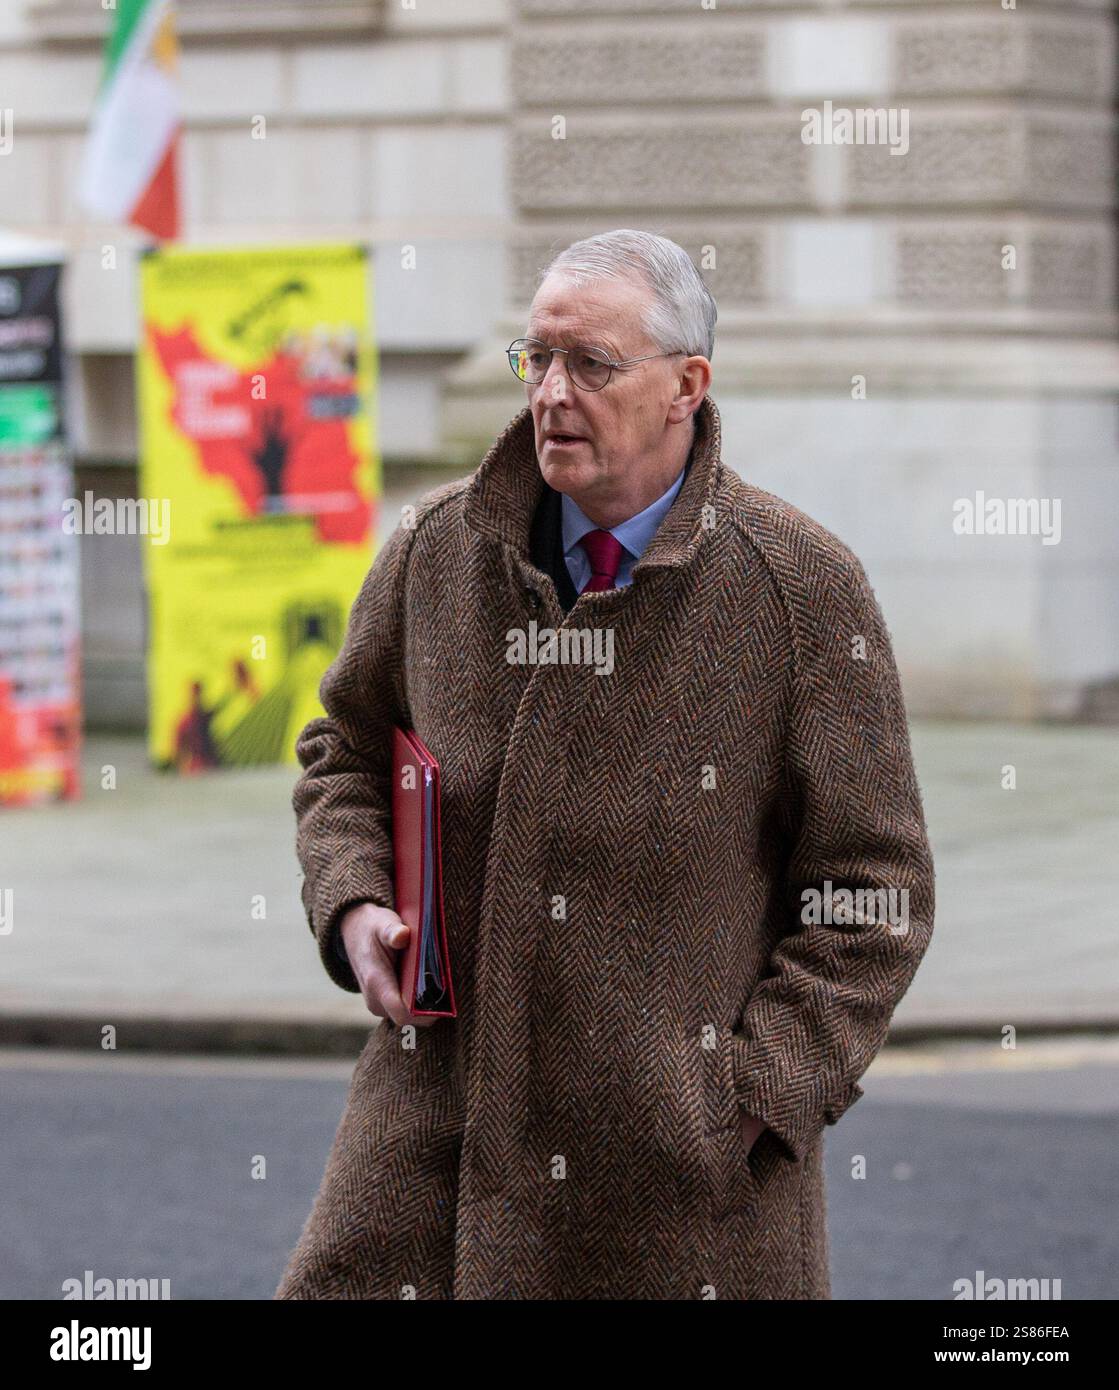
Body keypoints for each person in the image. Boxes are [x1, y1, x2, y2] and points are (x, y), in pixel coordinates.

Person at [275, 229, 935, 1300]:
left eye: (592, 364)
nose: (552, 393)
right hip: (427, 1153)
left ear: (688, 384)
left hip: (680, 1196)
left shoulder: (801, 590)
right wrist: (354, 908)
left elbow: (875, 893)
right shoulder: (438, 549)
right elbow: (343, 751)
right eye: (536, 358)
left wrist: (749, 1094)